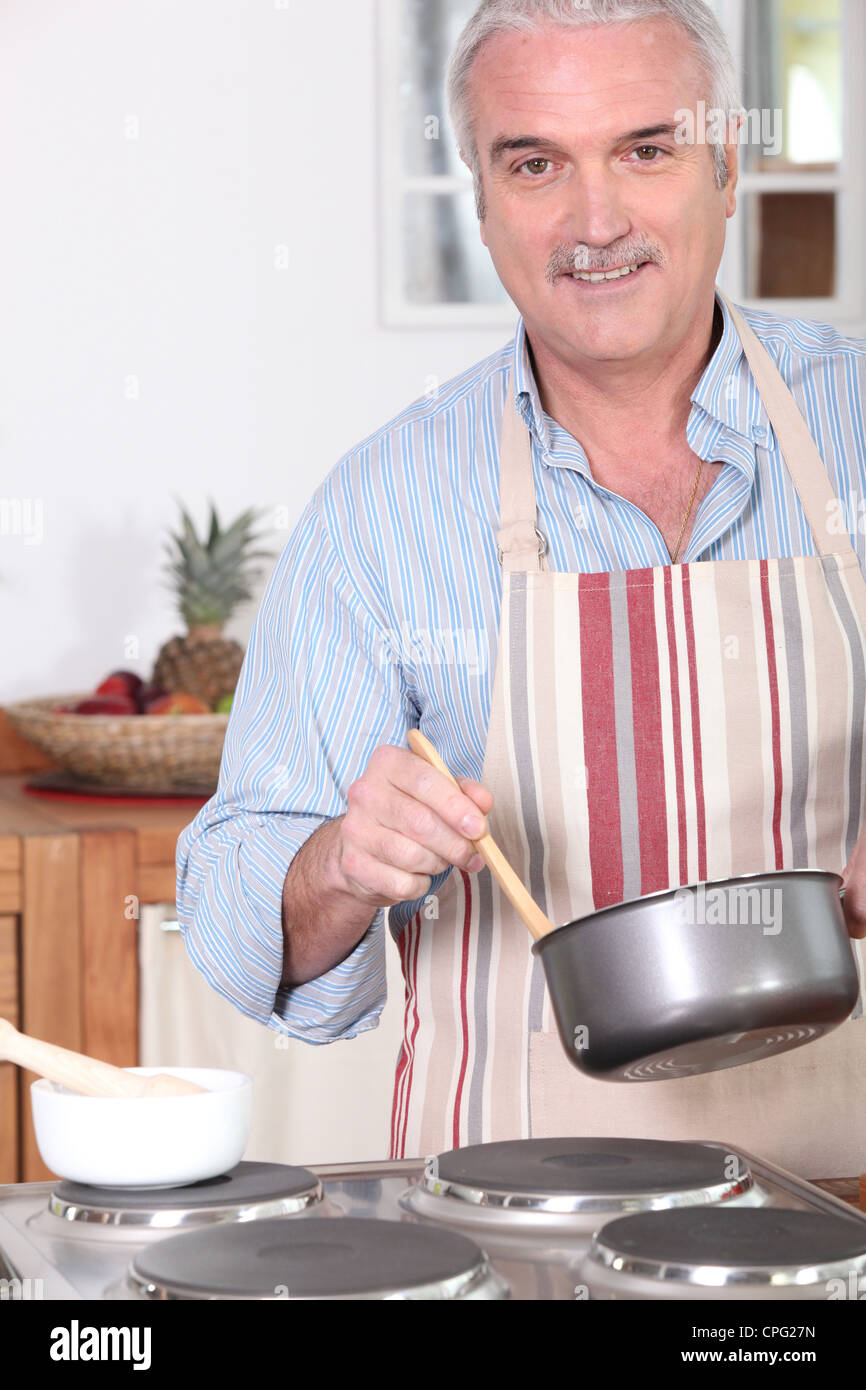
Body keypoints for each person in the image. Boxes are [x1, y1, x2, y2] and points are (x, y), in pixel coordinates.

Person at [176, 0, 866, 1172]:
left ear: (723, 164)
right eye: (534, 162)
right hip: (504, 1231)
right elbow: (246, 934)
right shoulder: (375, 512)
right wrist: (340, 862)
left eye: (643, 149)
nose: (594, 221)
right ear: (481, 199)